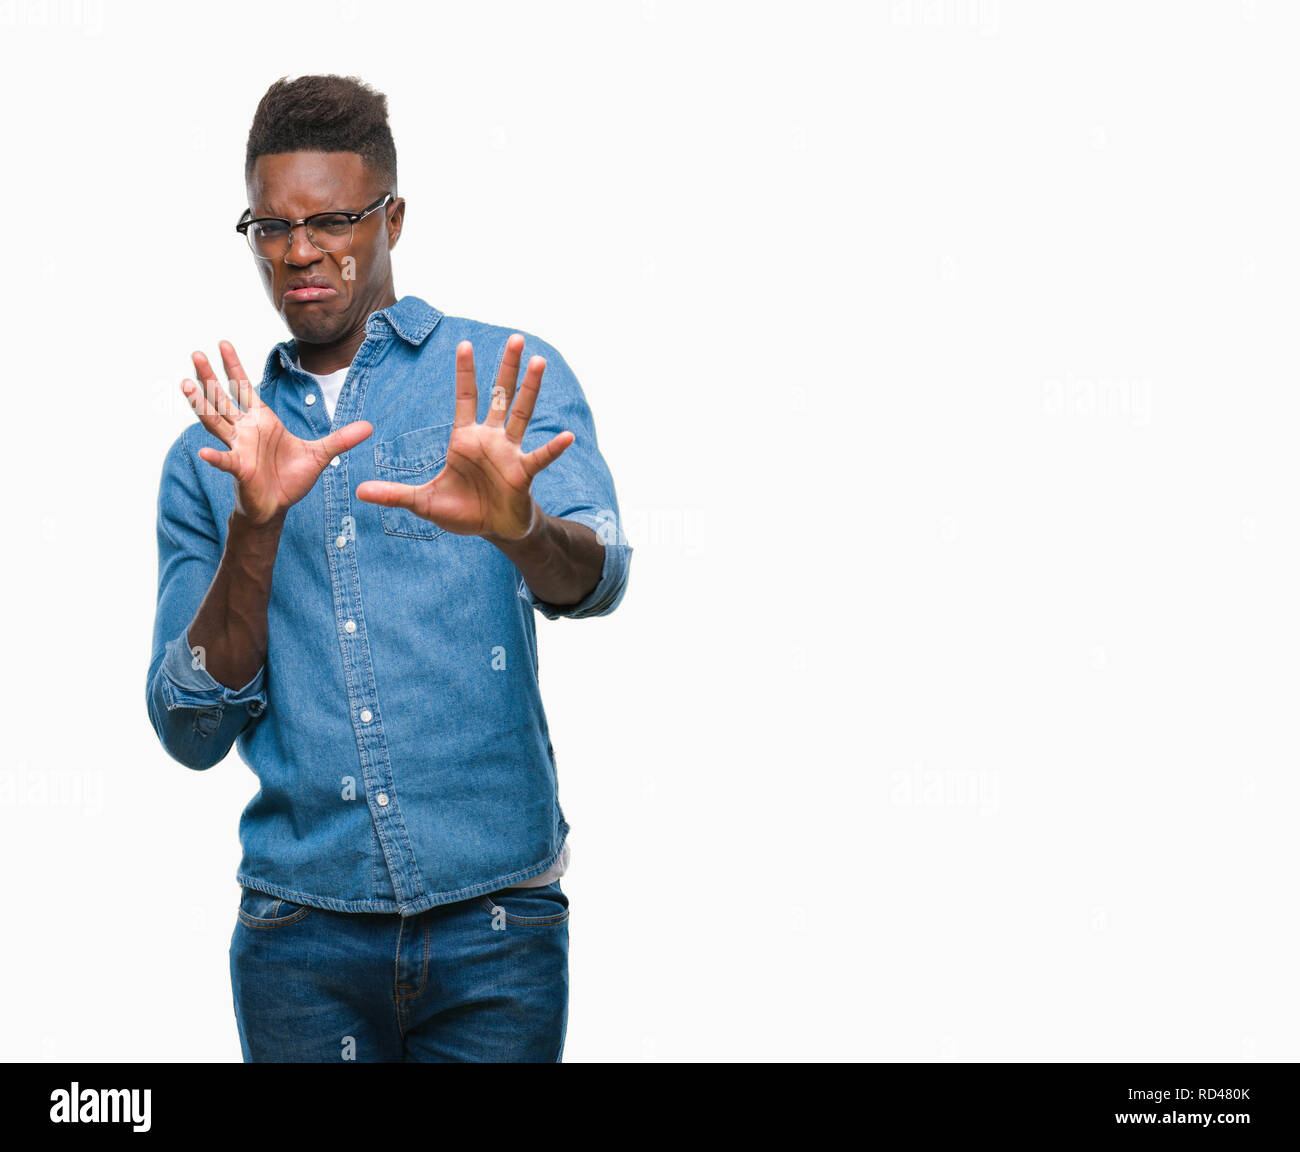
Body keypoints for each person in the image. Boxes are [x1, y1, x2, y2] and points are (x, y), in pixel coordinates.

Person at [144, 74, 632, 1062]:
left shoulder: (498, 381)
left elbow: (596, 578)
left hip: (497, 932)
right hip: (301, 940)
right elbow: (189, 728)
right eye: (270, 227)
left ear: (393, 218)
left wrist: (519, 523)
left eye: (331, 218)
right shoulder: (211, 457)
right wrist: (255, 526)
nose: (299, 252)